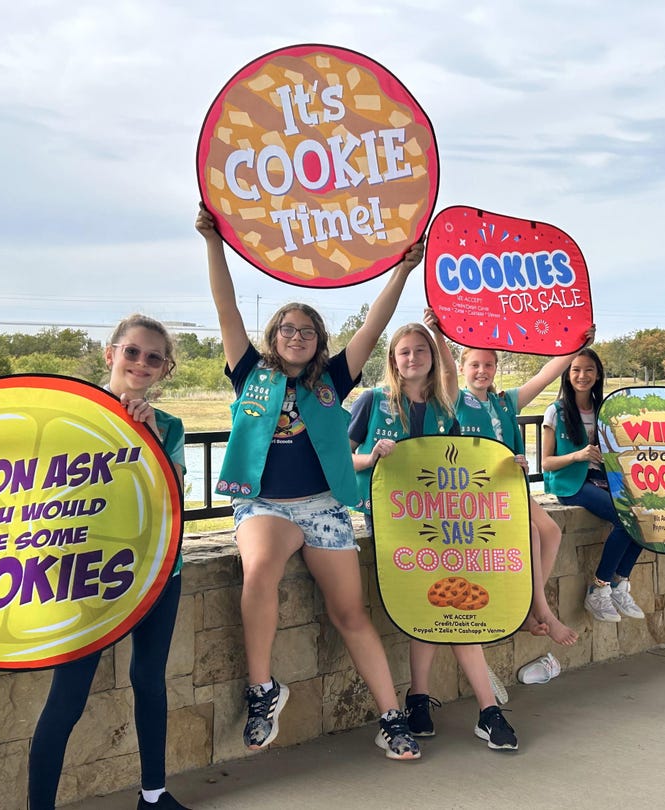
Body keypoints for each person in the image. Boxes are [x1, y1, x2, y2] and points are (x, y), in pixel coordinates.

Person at [196, 204, 421, 761]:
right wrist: (213, 242)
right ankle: (262, 691)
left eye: (308, 330)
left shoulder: (333, 379)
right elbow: (225, 308)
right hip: (264, 504)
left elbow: (373, 327)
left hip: (323, 507)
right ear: (274, 336)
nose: (297, 335)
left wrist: (402, 272)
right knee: (260, 570)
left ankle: (391, 717)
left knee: (351, 614)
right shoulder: (251, 371)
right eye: (287, 328)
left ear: (320, 341)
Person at [29, 314, 191, 810]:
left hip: (159, 571)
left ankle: (154, 795)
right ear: (111, 354)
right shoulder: (71, 414)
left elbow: (175, 497)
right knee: (68, 696)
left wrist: (149, 441)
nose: (141, 363)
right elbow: (18, 477)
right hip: (87, 575)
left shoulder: (169, 426)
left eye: (154, 357)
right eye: (132, 352)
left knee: (150, 681)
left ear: (165, 370)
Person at [349, 318, 518, 751]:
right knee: (427, 605)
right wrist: (371, 457)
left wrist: (505, 468)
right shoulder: (371, 401)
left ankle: (446, 704)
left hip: (443, 521)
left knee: (452, 604)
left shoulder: (447, 408)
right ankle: (468, 707)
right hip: (391, 520)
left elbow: (463, 465)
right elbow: (339, 461)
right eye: (404, 352)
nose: (412, 358)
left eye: (420, 351)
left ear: (431, 358)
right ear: (392, 358)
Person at [453, 333, 598, 646]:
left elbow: (546, 376)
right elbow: (443, 374)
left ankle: (529, 605)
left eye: (489, 364)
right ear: (462, 368)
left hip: (510, 487)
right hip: (477, 495)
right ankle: (540, 610)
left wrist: (574, 343)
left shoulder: (505, 401)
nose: (482, 370)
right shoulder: (456, 400)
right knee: (530, 532)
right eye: (475, 364)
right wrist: (439, 333)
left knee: (552, 532)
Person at [541, 348, 647, 623]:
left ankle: (620, 583)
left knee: (645, 514)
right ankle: (600, 587)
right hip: (571, 483)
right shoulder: (555, 411)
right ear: (567, 374)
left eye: (589, 369)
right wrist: (579, 455)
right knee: (626, 518)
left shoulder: (606, 410)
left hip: (603, 480)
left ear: (598, 374)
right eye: (575, 369)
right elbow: (546, 463)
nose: (582, 375)